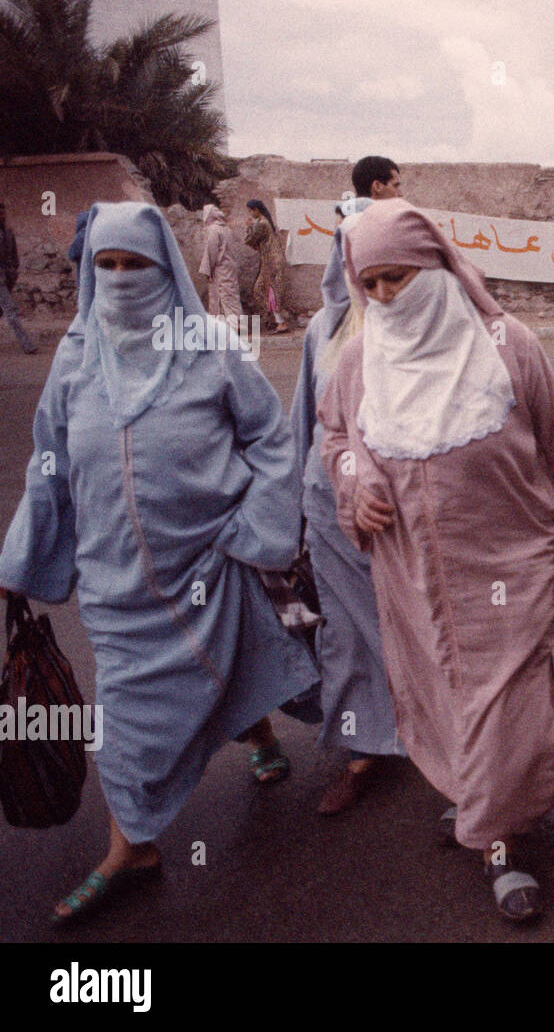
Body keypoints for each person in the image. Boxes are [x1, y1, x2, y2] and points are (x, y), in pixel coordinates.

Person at [0, 202, 317, 924]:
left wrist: (255, 530)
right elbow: (47, 467)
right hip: (114, 590)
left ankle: (257, 730)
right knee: (128, 724)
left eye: (133, 265)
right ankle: (133, 850)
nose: (117, 279)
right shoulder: (76, 356)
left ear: (164, 268)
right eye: (104, 266)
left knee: (229, 668)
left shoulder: (207, 343)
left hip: (210, 562)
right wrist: (18, 561)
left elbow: (271, 438)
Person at [317, 199, 554, 923]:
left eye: (399, 277)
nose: (387, 296)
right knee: (449, 700)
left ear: (435, 265)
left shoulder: (507, 345)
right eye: (374, 283)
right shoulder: (358, 361)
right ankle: (484, 807)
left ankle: (498, 842)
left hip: (510, 567)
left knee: (502, 702)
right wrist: (355, 481)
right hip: (412, 578)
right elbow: (332, 440)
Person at [291, 201, 405, 816]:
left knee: (413, 627)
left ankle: (434, 741)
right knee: (347, 634)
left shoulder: (418, 329)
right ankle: (364, 751)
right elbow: (303, 427)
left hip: (397, 517)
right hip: (328, 510)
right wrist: (290, 518)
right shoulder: (322, 331)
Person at [245, 199, 290, 334]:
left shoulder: (262, 224)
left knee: (268, 291)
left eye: (250, 211)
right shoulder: (263, 222)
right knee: (264, 290)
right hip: (270, 261)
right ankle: (273, 319)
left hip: (272, 262)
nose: (250, 214)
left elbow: (250, 240)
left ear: (256, 210)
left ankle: (280, 322)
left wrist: (249, 227)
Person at [0, 201, 37, 353]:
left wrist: (13, 271)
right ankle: (27, 345)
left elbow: (14, 256)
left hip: (8, 276)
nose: (3, 216)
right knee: (11, 310)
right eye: (0, 213)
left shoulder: (9, 233)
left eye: (3, 213)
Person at [199, 203, 242, 328]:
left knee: (223, 296)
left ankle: (233, 327)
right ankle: (234, 324)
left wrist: (207, 270)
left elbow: (211, 251)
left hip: (221, 269)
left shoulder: (213, 230)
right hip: (230, 267)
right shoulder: (227, 229)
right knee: (231, 295)